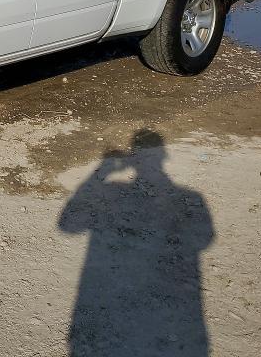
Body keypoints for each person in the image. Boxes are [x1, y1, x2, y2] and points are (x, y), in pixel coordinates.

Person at [58, 129, 214, 356]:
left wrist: (102, 171)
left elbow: (67, 225)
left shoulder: (113, 190)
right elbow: (205, 239)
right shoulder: (191, 197)